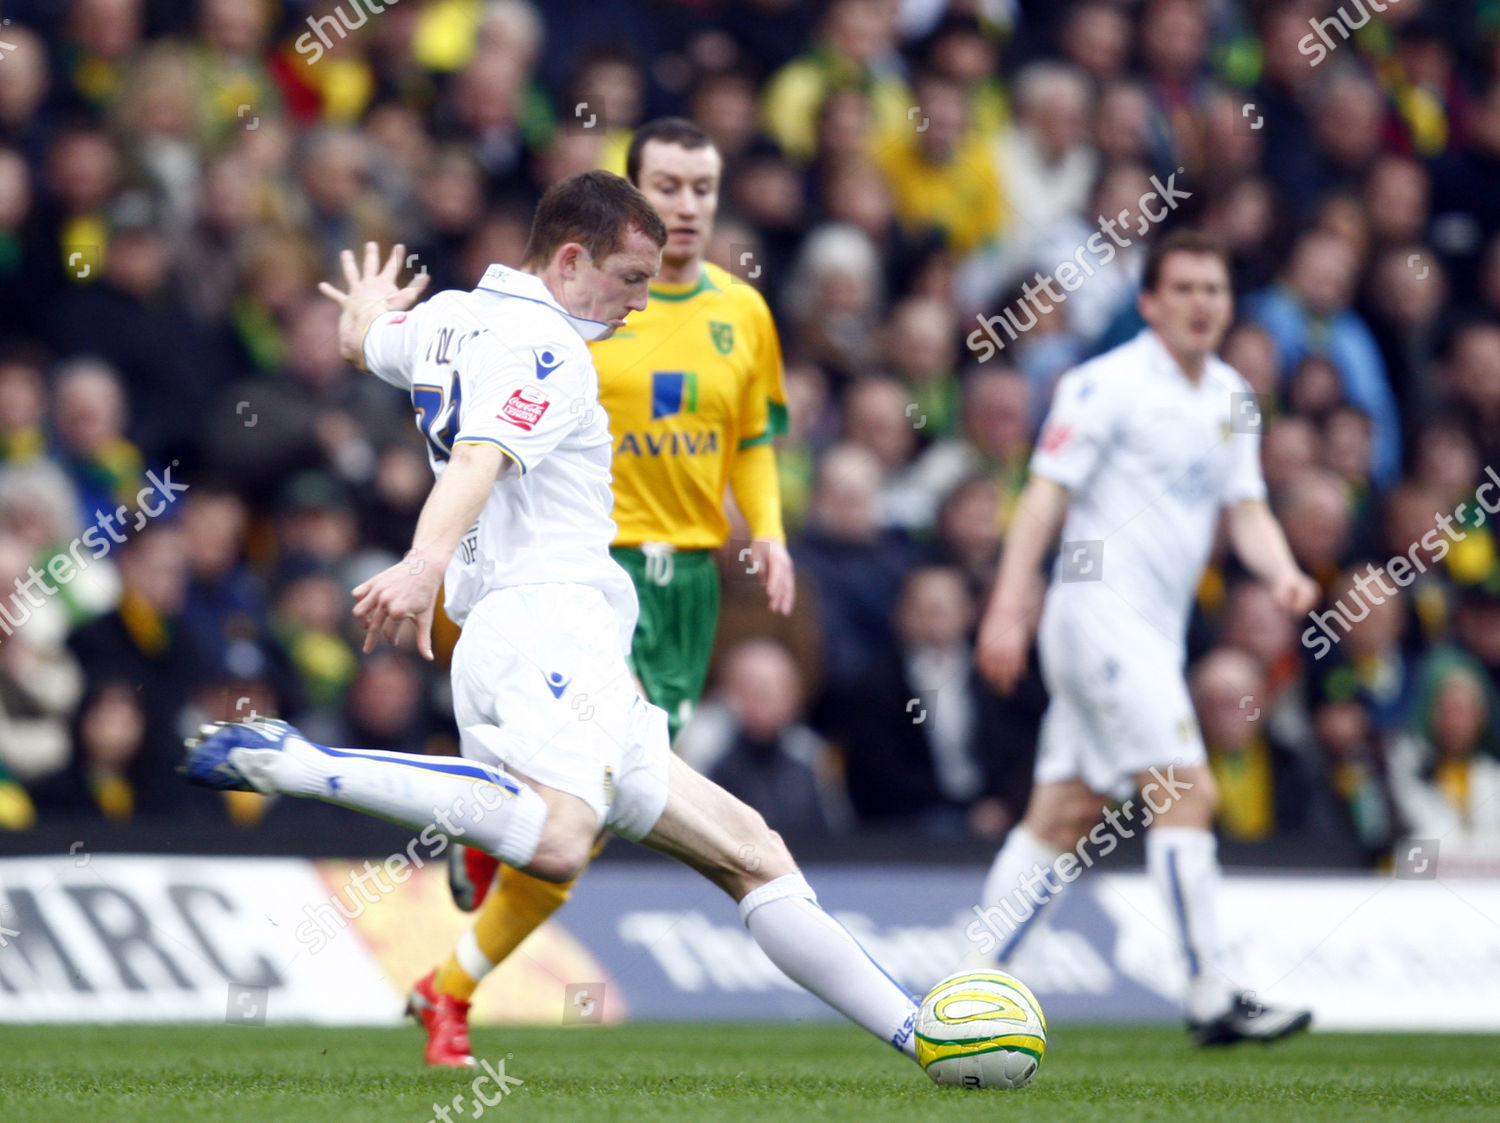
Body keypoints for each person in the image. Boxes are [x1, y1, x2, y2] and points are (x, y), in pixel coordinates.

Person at [182, 172, 920, 1073]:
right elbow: (483, 456)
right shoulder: (550, 349)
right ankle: (307, 765)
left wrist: (367, 310)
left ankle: (920, 1035)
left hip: (543, 645)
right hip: (545, 626)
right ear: (571, 260)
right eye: (632, 277)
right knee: (564, 836)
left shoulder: (447, 318)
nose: (642, 301)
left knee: (754, 853)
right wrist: (420, 562)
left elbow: (368, 340)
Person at [427, 118, 797, 1062]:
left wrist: (773, 531)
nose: (687, 204)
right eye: (667, 185)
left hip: (688, 584)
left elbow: (750, 440)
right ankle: (460, 965)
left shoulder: (743, 314)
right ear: (631, 197)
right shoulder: (581, 313)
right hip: (590, 571)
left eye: (703, 188)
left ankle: (452, 974)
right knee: (582, 806)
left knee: (594, 821)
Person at [972, 230, 1320, 1046]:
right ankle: (1210, 990)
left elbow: (1247, 508)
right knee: (1186, 788)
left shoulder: (1233, 394)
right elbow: (1043, 497)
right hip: (1098, 616)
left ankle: (968, 985)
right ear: (1149, 303)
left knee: (1063, 814)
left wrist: (1282, 571)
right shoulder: (1105, 385)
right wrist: (1006, 604)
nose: (1203, 303)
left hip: (1151, 634)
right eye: (1186, 288)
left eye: (1216, 289)